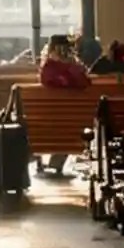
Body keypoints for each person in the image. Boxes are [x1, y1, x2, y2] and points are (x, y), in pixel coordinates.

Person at [38, 34, 89, 174]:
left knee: (54, 122)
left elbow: (50, 82)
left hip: (47, 121)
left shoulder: (48, 69)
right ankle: (57, 162)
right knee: (71, 123)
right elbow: (84, 82)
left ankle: (44, 162)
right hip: (74, 122)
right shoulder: (76, 68)